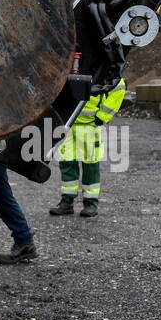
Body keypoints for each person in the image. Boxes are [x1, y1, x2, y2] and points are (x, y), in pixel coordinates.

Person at [49, 79, 126, 218]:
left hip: (90, 126)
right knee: (67, 162)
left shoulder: (103, 65)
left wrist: (102, 116)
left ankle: (90, 203)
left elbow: (118, 88)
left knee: (90, 165)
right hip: (69, 124)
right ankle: (67, 202)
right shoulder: (75, 62)